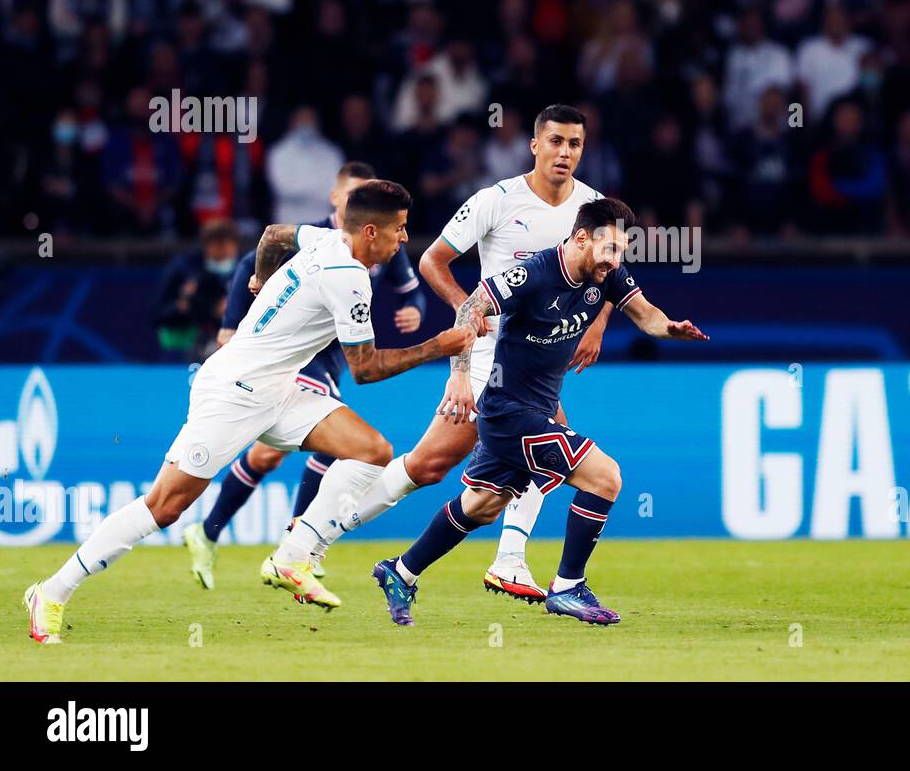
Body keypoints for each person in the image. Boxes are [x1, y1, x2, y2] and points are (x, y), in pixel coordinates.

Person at [24, 181, 481, 642]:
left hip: (278, 389)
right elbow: (364, 369)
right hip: (233, 393)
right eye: (399, 229)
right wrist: (436, 346)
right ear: (369, 231)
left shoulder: (324, 238)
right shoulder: (349, 275)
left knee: (371, 450)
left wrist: (262, 280)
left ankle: (294, 555)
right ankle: (52, 591)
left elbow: (272, 235)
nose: (404, 239)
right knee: (165, 505)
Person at [266, 104, 608, 604]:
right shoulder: (497, 200)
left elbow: (610, 271)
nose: (565, 152)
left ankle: (315, 544)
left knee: (450, 466)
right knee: (454, 462)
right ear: (534, 145)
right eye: (555, 141)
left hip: (539, 361)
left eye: (574, 143)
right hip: (492, 359)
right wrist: (467, 319)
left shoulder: (592, 207)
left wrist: (597, 323)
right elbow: (433, 260)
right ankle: (311, 542)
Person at [370, 198, 707, 626]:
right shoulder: (534, 273)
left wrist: (670, 328)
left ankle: (400, 571)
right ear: (582, 238)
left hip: (533, 410)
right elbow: (470, 307)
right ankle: (567, 587)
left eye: (622, 251)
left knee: (483, 505)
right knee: (605, 477)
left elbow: (647, 316)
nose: (615, 260)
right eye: (610, 249)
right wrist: (458, 375)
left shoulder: (607, 274)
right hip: (508, 411)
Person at [182, 161, 425, 588]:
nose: (401, 235)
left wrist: (414, 310)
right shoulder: (320, 236)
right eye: (353, 192)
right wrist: (234, 319)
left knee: (269, 454)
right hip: (297, 354)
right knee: (335, 445)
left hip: (330, 353)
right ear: (337, 199)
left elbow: (410, 289)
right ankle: (297, 547)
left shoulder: (387, 241)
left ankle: (212, 531)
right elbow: (253, 257)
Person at [153, 218, 240, 359]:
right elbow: (156, 312)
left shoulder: (245, 272)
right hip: (181, 345)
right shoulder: (182, 270)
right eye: (219, 248)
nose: (225, 254)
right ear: (208, 247)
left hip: (230, 344)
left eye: (228, 247)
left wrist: (233, 310)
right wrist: (182, 305)